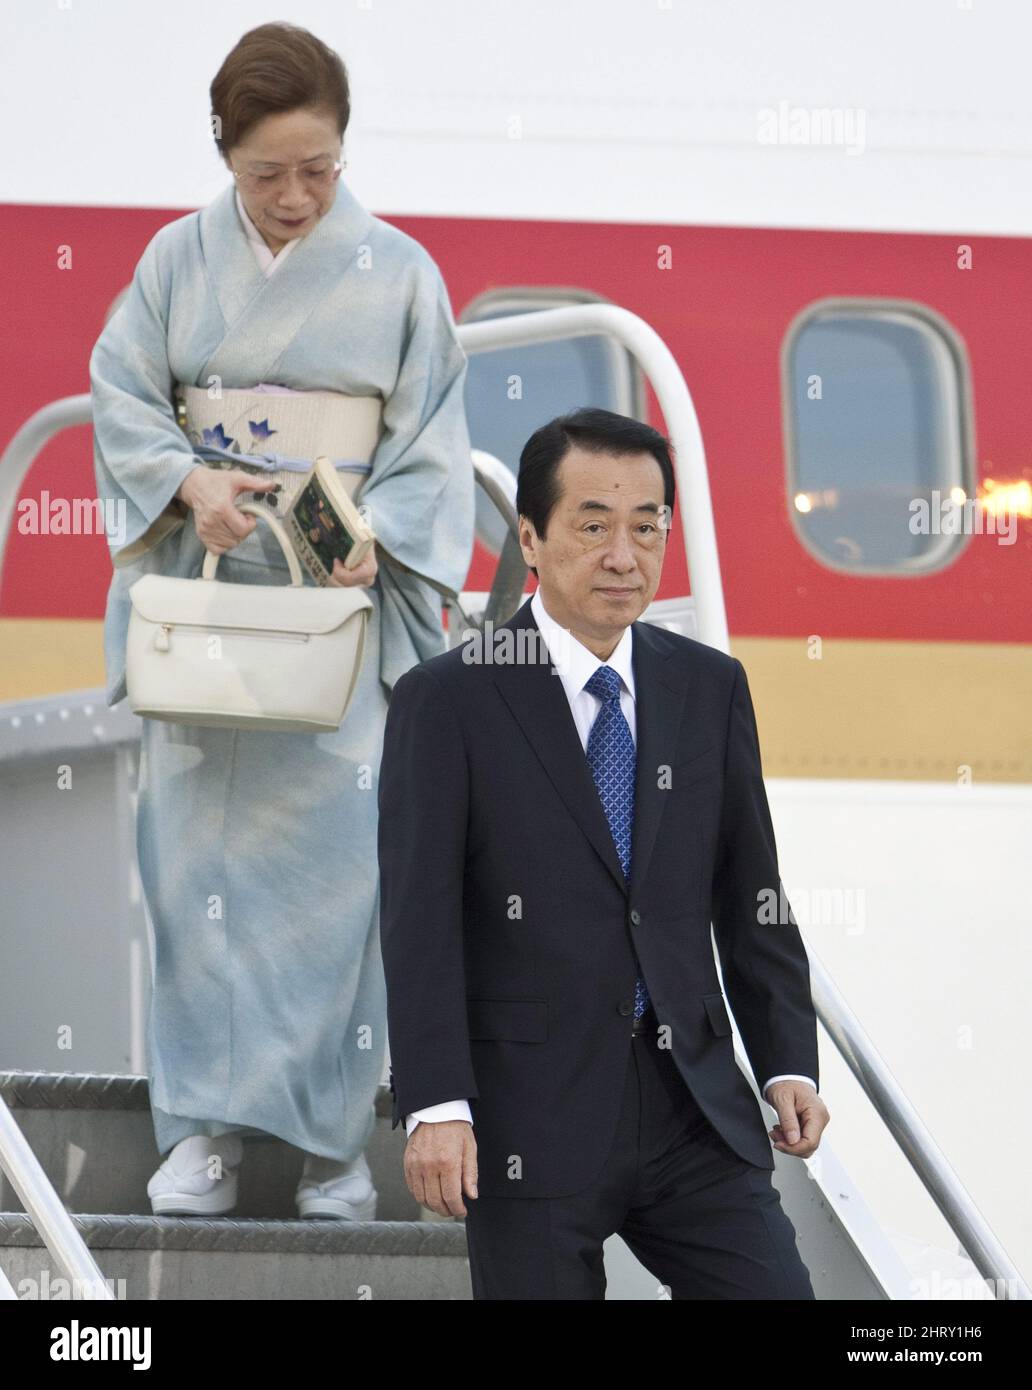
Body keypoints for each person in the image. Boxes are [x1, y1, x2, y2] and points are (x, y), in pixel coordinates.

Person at [89, 23, 474, 1219]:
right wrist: (183, 481)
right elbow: (121, 389)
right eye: (268, 175)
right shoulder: (171, 261)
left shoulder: (401, 273)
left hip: (334, 605)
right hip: (208, 593)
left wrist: (383, 532)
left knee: (339, 880)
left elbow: (432, 438)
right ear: (225, 155)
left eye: (320, 169)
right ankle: (200, 1131)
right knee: (186, 861)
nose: (297, 196)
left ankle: (329, 1148)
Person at [377, 407, 830, 1298]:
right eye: (593, 525)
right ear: (531, 537)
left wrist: (785, 1057)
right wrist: (435, 1104)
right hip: (524, 1120)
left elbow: (751, 895)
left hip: (692, 1110)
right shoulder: (450, 700)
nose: (624, 555)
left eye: (646, 524)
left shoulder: (708, 687)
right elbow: (418, 919)